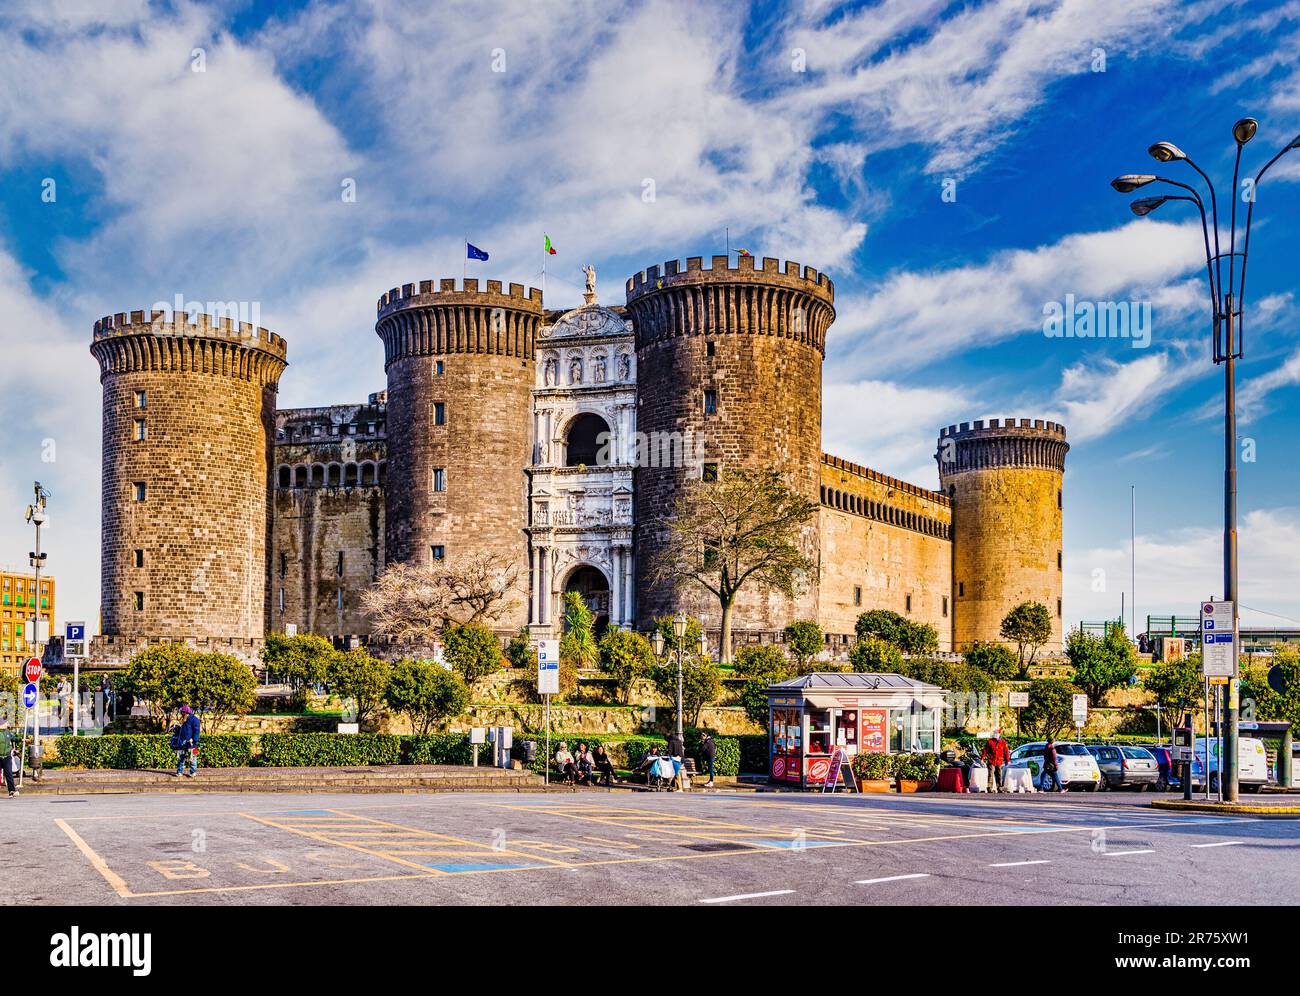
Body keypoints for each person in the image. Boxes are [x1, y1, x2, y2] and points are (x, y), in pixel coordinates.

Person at [171, 705, 200, 777]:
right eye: (181, 712)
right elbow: (183, 731)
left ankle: (193, 772)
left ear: (186, 712)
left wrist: (194, 739)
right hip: (181, 742)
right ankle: (179, 772)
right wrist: (176, 728)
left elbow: (197, 731)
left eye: (182, 713)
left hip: (192, 743)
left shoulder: (194, 719)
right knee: (181, 758)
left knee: (193, 758)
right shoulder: (184, 720)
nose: (181, 714)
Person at [0, 715, 17, 798]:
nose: (7, 723)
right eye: (6, 722)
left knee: (9, 774)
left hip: (7, 756)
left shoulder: (8, 732)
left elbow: (14, 737)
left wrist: (21, 739)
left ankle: (12, 791)